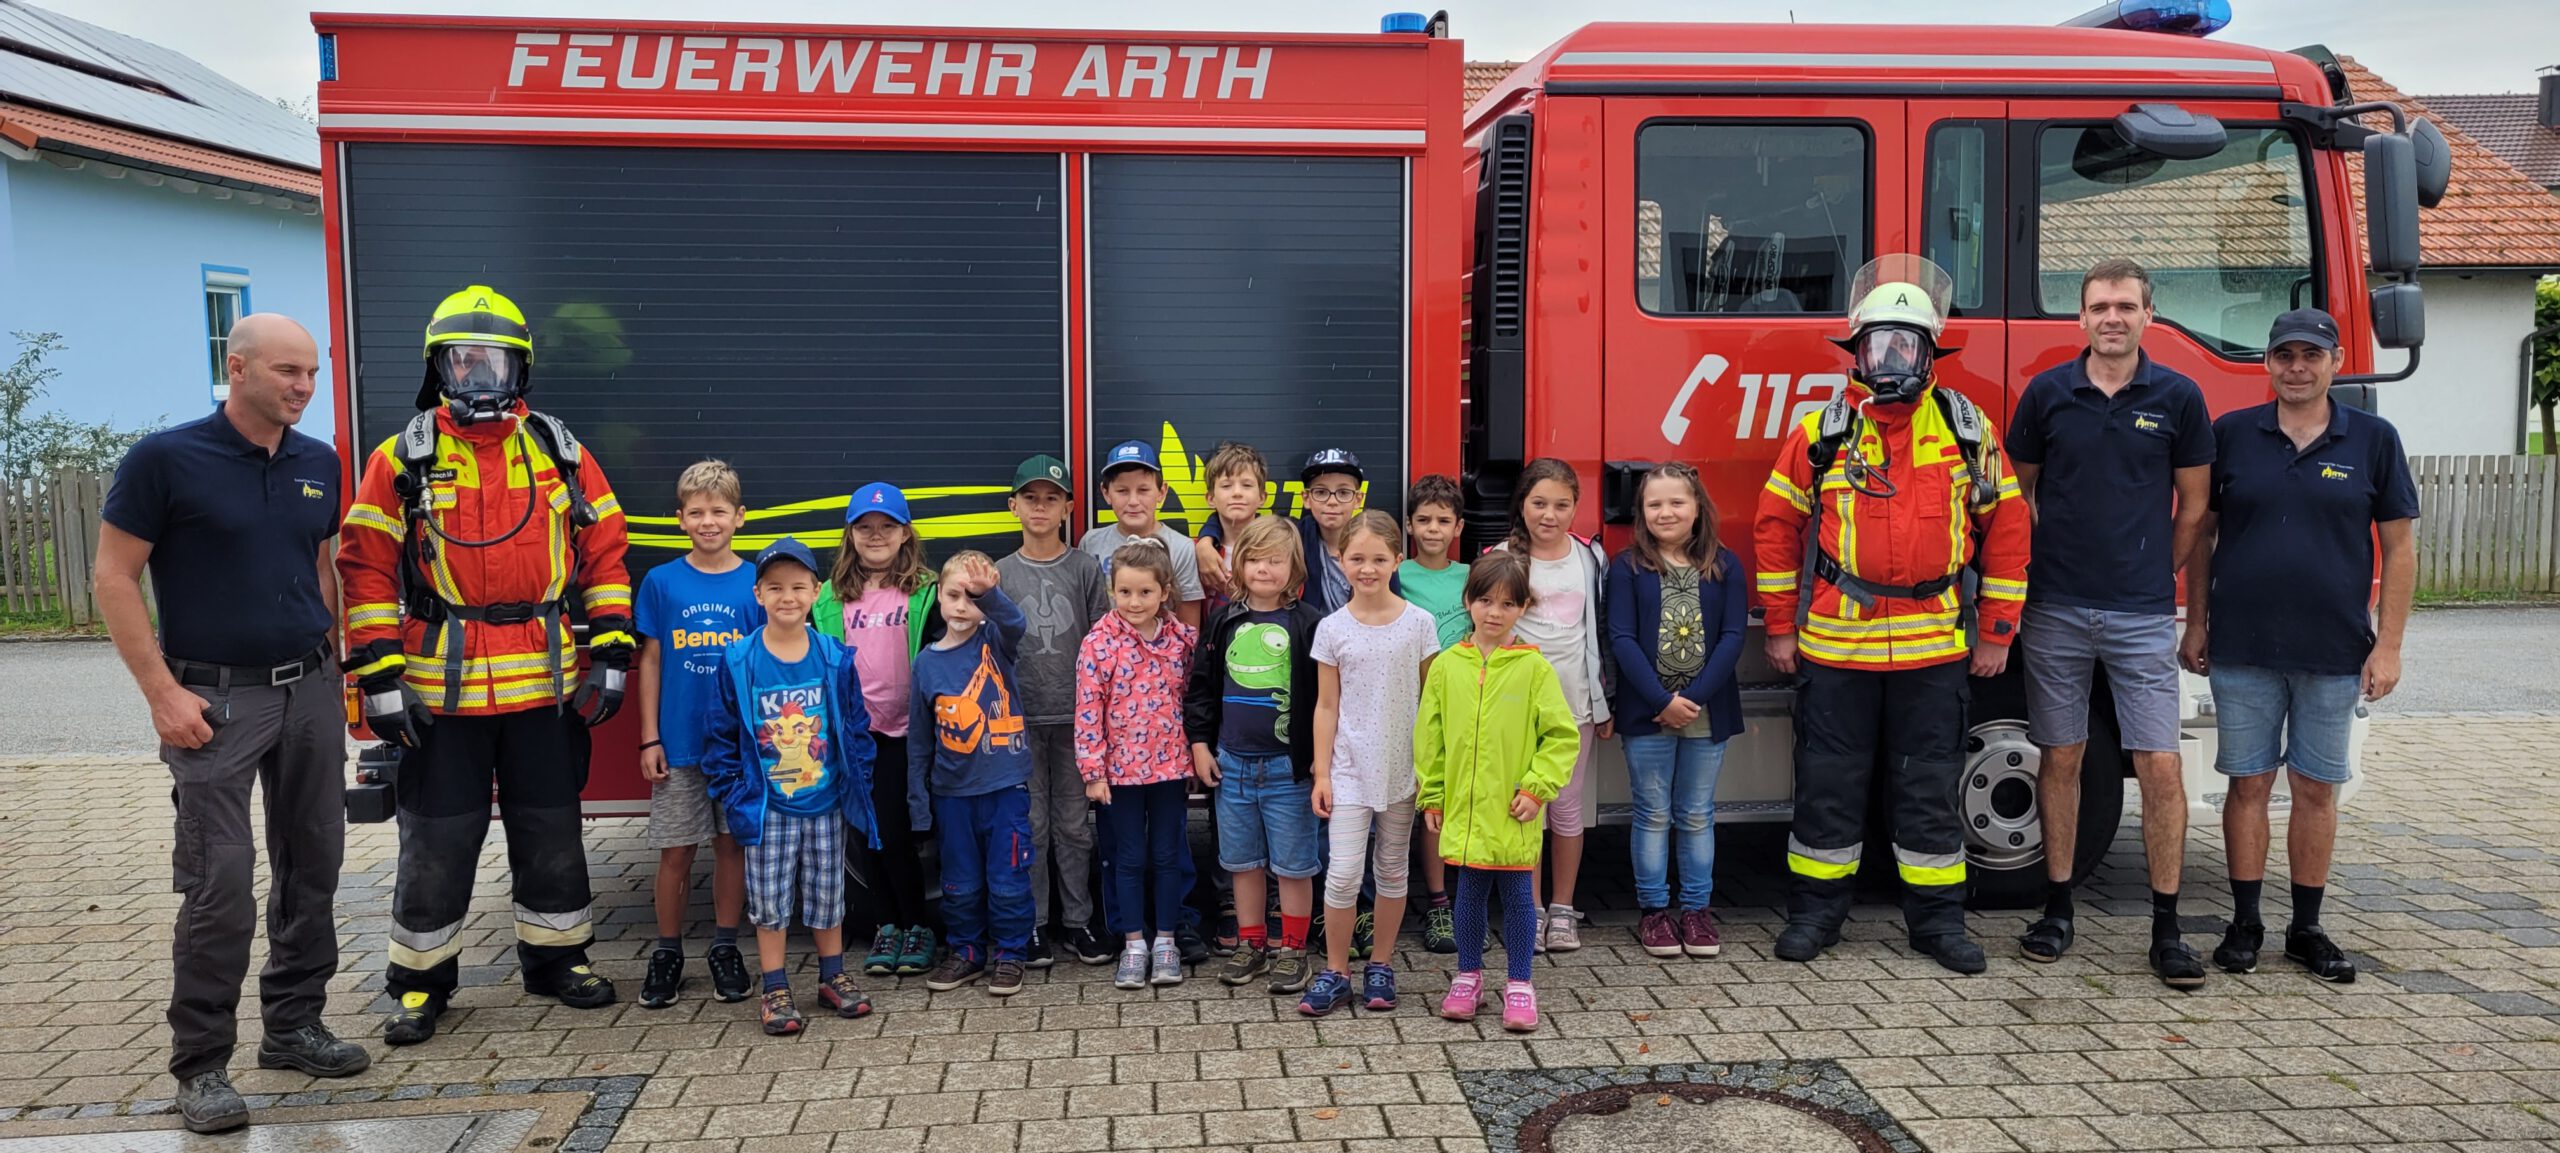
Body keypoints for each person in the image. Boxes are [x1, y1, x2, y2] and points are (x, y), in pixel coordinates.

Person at [339, 285, 632, 1045]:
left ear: (519, 370)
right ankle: (418, 983)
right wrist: (378, 678)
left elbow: (604, 554)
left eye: (491, 363)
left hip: (545, 681)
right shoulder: (403, 458)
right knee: (437, 837)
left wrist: (610, 651)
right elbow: (365, 569)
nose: (477, 377)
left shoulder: (559, 450)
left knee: (552, 829)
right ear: (438, 368)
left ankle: (558, 959)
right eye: (461, 362)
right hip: (442, 689)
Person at [96, 313, 366, 1133]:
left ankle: (292, 1023)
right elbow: (113, 577)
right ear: (236, 365)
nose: (303, 387)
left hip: (310, 692)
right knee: (220, 882)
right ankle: (202, 1064)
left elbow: (320, 569)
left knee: (314, 859)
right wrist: (161, 694)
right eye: (287, 371)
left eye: (312, 373)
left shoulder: (319, 464)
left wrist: (338, 671)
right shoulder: (165, 460)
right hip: (213, 700)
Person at [1754, 256, 2028, 975]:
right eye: (1879, 345)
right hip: (1836, 650)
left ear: (1930, 351)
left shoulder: (1968, 430)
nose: (1892, 359)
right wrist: (1779, 624)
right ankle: (1815, 915)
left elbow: (2008, 531)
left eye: (1906, 345)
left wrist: (1997, 631)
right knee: (1827, 788)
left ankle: (1938, 924)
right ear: (1858, 352)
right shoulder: (1823, 431)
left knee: (1929, 790)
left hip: (1935, 650)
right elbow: (1776, 526)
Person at [2182, 308, 2416, 985]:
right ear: (2267, 363)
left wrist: (2389, 645)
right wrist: (2196, 622)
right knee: (2247, 783)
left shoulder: (2372, 439)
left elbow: (2400, 549)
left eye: (2310, 355)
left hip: (2334, 649)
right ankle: (2245, 923)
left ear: (2334, 362)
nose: (2296, 367)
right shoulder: (2232, 435)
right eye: (2284, 355)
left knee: (2316, 789)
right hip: (2243, 646)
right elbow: (2201, 535)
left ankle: (2306, 927)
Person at [2006, 258, 2217, 988]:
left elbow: (2195, 507)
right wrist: (2046, 558)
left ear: (2148, 316)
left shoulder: (2180, 398)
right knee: (2060, 757)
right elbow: (2018, 493)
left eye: (2126, 305)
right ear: (2082, 318)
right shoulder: (2047, 394)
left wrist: (2161, 573)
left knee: (2158, 763)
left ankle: (2168, 928)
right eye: (2100, 306)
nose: (2112, 317)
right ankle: (2056, 907)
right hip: (2055, 608)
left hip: (2141, 613)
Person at [699, 539, 882, 1035]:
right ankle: (776, 986)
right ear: (758, 594)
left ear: (815, 592)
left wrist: (854, 783)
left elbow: (856, 727)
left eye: (798, 587)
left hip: (824, 803)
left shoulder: (833, 656)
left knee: (828, 896)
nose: (787, 596)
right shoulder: (739, 660)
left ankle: (832, 976)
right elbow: (719, 737)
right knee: (771, 902)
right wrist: (737, 796)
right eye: (775, 587)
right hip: (768, 809)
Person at [1419, 552, 1579, 1034]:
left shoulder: (1534, 670)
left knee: (1517, 898)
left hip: (1513, 811)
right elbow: (1431, 735)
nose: (1494, 612)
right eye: (1485, 600)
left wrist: (1537, 789)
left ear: (1523, 607)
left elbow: (1561, 736)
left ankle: (1520, 982)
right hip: (1465, 811)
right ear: (1468, 602)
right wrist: (1433, 793)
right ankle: (1467, 976)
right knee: (1466, 894)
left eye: (1507, 603)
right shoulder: (1448, 666)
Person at [1605, 461, 1746, 959]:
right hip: (1648, 712)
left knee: (1695, 814)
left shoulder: (1725, 565)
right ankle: (1654, 913)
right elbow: (1620, 637)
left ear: (1697, 508)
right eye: (1654, 504)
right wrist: (1662, 700)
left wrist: (1695, 699)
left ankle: (1696, 909)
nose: (1666, 512)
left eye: (1676, 502)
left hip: (1707, 710)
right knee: (1652, 812)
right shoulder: (1626, 568)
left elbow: (1732, 638)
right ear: (1641, 513)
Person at [1301, 512, 1440, 1016]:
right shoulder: (1332, 628)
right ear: (1340, 560)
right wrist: (1321, 771)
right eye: (1356, 558)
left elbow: (1432, 702)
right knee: (1341, 874)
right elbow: (1326, 706)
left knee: (1392, 870)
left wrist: (1433, 771)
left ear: (1396, 561)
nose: (1367, 568)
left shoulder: (1419, 625)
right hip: (1349, 769)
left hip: (1404, 769)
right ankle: (1337, 970)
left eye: (1379, 558)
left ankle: (1380, 963)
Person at [634, 460, 760, 1010]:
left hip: (737, 746)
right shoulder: (662, 582)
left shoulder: (757, 581)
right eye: (697, 512)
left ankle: (726, 949)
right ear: (680, 518)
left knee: (732, 847)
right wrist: (648, 738)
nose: (709, 522)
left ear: (739, 517)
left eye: (719, 511)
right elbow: (652, 661)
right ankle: (666, 953)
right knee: (675, 852)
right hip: (679, 743)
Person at [1188, 516, 1328, 995]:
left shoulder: (1309, 625)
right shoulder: (1225, 619)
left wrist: (1319, 759)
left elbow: (1325, 700)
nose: (1264, 569)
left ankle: (1292, 948)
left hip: (1288, 770)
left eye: (1276, 560)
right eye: (1254, 559)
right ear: (1237, 564)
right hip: (1232, 766)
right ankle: (1252, 944)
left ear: (1294, 569)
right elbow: (1203, 687)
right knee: (1242, 862)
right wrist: (1201, 745)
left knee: (1293, 865)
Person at [812, 482, 942, 978]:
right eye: (865, 527)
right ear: (850, 534)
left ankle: (916, 925)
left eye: (887, 527)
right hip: (856, 731)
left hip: (907, 731)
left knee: (897, 828)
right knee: (865, 830)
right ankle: (887, 925)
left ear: (905, 533)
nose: (876, 535)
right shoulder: (828, 597)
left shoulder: (927, 588)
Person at [995, 455, 1112, 967]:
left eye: (1051, 498)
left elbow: (1104, 641)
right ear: (1013, 506)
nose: (1040, 507)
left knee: (1073, 825)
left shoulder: (1084, 569)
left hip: (1075, 720)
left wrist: (1101, 713)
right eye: (1030, 498)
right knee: (1031, 827)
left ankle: (1079, 922)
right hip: (1019, 720)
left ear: (1068, 508)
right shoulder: (998, 574)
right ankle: (1034, 923)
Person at [1492, 458, 1610, 952]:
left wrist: (1604, 703)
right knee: (1526, 810)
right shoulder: (1502, 557)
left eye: (1562, 505)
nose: (1550, 514)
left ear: (1576, 508)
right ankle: (1530, 909)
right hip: (1518, 707)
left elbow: (1601, 632)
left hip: (1574, 706)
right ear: (1522, 504)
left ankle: (1563, 909)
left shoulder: (1590, 558)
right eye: (1539, 503)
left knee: (1566, 808)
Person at [1075, 543, 1201, 989]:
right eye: (1125, 591)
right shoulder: (1099, 643)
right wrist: (1093, 772)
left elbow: (1192, 696)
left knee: (1167, 855)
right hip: (1121, 775)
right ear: (1112, 590)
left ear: (1164, 591)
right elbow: (1088, 707)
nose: (1134, 602)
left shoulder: (1183, 641)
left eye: (1145, 592)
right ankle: (1134, 944)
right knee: (1127, 858)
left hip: (1169, 769)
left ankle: (1165, 941)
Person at [911, 552, 1035, 995]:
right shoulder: (925, 663)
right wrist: (919, 805)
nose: (963, 606)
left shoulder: (995, 643)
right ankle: (965, 951)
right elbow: (920, 742)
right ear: (938, 597)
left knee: (1008, 876)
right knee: (959, 880)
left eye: (973, 597)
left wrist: (992, 595)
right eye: (954, 595)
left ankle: (1010, 953)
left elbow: (1016, 623)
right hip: (952, 794)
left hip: (1004, 788)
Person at [1398, 473, 1468, 955]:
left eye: (1443, 520)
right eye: (1424, 519)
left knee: (1464, 802)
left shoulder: (1471, 577)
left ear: (1458, 527)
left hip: (1465, 708)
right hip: (1414, 708)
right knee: (1431, 807)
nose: (1433, 529)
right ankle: (1438, 902)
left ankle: (1467, 902)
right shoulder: (1396, 575)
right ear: (1408, 525)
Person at [1084, 439, 1207, 629]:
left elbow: (1189, 628)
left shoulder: (1181, 548)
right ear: (1106, 493)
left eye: (1143, 490)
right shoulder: (1091, 542)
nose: (1133, 501)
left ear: (1162, 492)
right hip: (1104, 655)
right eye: (1122, 491)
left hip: (1160, 655)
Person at [1192, 440, 1273, 608]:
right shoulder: (1195, 551)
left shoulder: (1278, 549)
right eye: (1226, 485)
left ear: (1262, 497)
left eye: (1247, 485)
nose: (1237, 493)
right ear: (1210, 498)